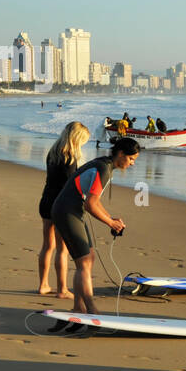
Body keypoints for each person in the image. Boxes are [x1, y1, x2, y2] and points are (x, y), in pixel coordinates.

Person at [51, 136, 140, 316]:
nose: (132, 164)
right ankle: (91, 309)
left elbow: (94, 201)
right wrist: (110, 223)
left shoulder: (104, 164)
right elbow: (90, 205)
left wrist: (111, 218)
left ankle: (78, 306)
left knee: (88, 258)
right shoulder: (104, 169)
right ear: (121, 154)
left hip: (72, 211)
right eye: (131, 159)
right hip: (67, 212)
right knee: (83, 262)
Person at [36, 122, 90, 298]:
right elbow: (69, 186)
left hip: (46, 200)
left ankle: (43, 285)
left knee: (47, 246)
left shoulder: (53, 152)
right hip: (59, 204)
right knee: (62, 249)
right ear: (76, 138)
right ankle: (62, 289)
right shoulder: (70, 157)